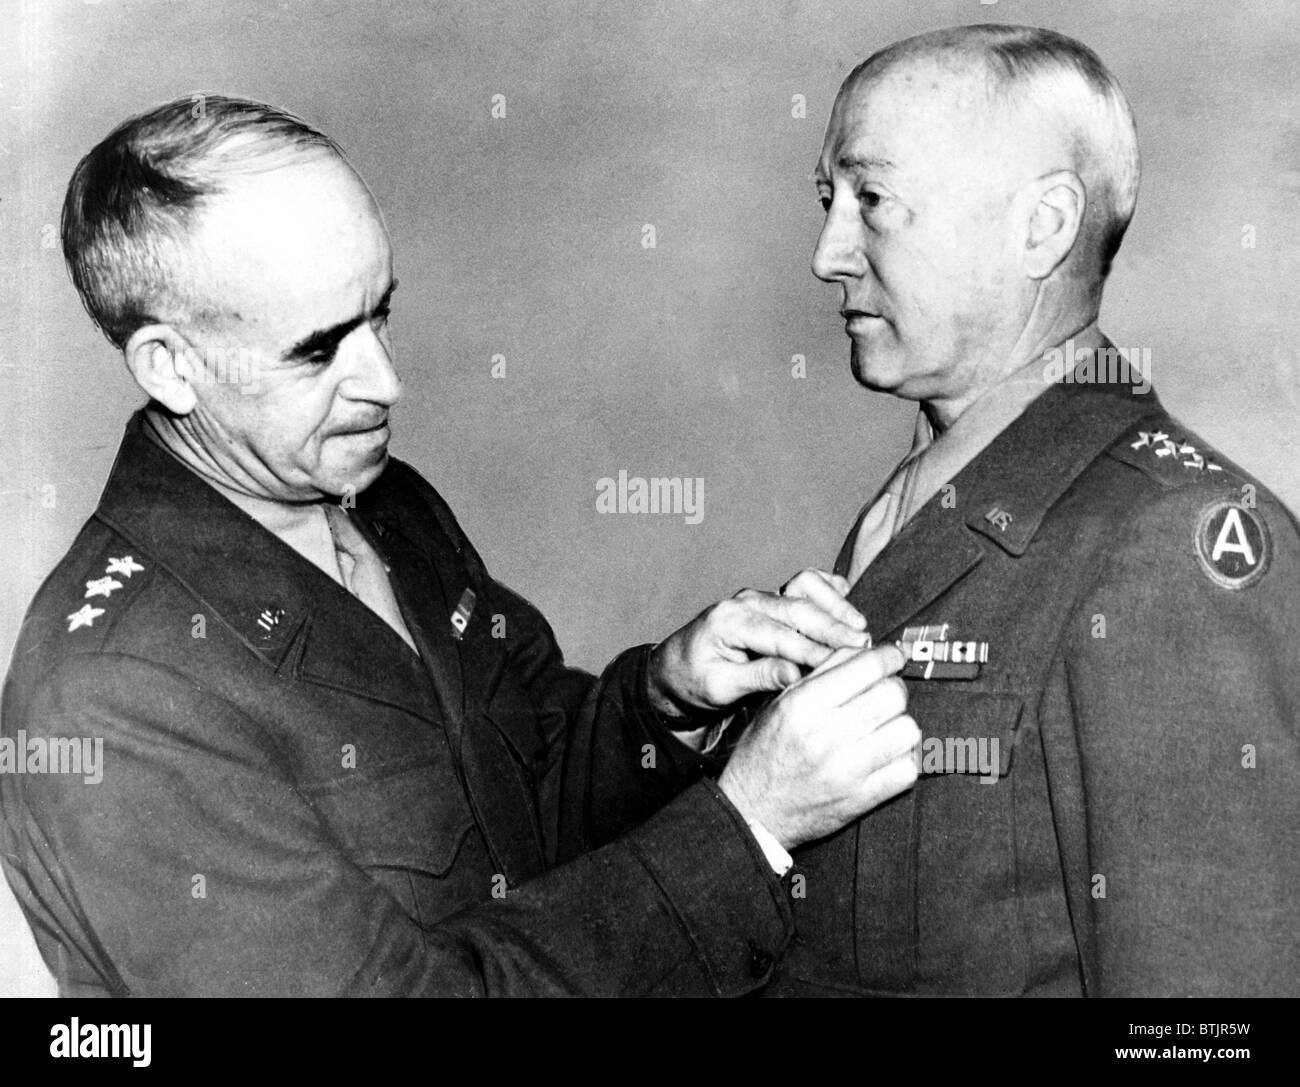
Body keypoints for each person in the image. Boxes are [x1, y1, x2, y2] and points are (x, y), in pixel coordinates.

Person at [0, 95, 920, 997]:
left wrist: (661, 700)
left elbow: (526, 808)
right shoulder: (111, 699)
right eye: (319, 352)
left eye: (380, 315)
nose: (387, 381)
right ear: (170, 365)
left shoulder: (373, 496)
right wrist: (746, 824)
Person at [765, 23, 1300, 996]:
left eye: (871, 199)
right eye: (825, 200)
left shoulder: (1169, 546)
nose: (827, 254)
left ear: (1043, 227)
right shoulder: (917, 501)